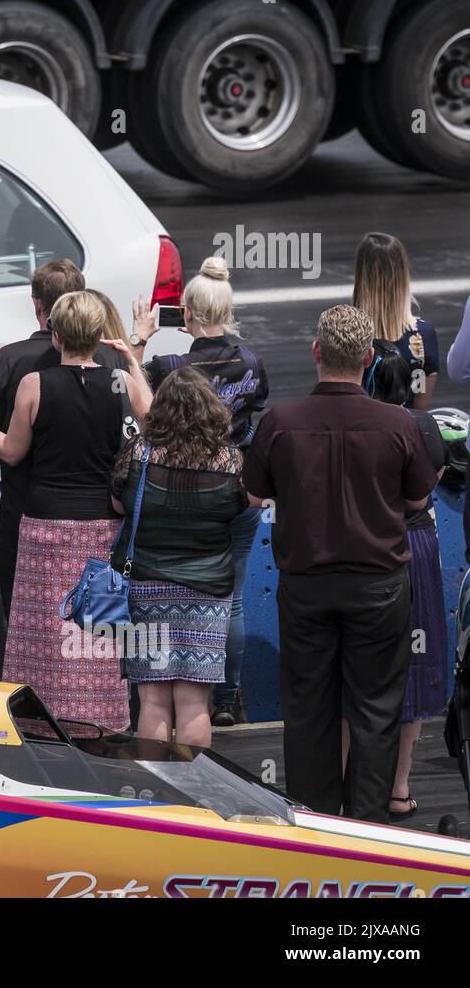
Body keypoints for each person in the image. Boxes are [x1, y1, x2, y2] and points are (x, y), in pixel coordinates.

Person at [242, 305, 438, 823]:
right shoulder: (399, 424)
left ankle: (315, 827)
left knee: (309, 712)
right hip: (379, 587)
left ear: (315, 353)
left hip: (306, 586)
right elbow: (418, 500)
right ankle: (368, 833)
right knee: (376, 713)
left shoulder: (280, 423)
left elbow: (254, 493)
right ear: (369, 358)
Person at [0, 291, 151, 733]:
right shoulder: (120, 382)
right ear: (99, 335)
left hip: (45, 526)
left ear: (56, 335)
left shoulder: (35, 384)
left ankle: (41, 723)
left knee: (45, 635)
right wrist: (133, 358)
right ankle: (102, 721)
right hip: (103, 530)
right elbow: (153, 423)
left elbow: (12, 453)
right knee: (99, 632)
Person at [129, 256, 270, 727]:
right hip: (235, 490)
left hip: (179, 491)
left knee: (168, 590)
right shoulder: (250, 360)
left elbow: (132, 398)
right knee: (230, 600)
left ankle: (162, 692)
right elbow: (256, 419)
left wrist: (139, 337)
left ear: (186, 313)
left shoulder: (171, 365)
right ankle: (226, 698)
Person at [0, 260, 129, 618]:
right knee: (98, 629)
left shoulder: (9, 359)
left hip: (29, 513)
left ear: (38, 304)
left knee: (29, 622)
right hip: (104, 516)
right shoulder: (114, 363)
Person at [110, 368, 245, 747]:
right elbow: (238, 508)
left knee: (151, 698)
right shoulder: (230, 460)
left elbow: (118, 506)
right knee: (194, 701)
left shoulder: (139, 452)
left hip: (147, 588)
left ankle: (154, 796)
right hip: (209, 592)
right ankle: (193, 794)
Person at [357, 351, 449, 820]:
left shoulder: (360, 424)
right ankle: (398, 786)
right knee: (415, 665)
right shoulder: (425, 426)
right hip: (416, 545)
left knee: (358, 669)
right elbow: (432, 481)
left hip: (368, 547)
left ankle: (359, 788)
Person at [352, 232, 438, 410]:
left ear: (361, 277)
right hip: (404, 434)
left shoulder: (347, 334)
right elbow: (420, 410)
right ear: (403, 276)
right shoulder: (424, 334)